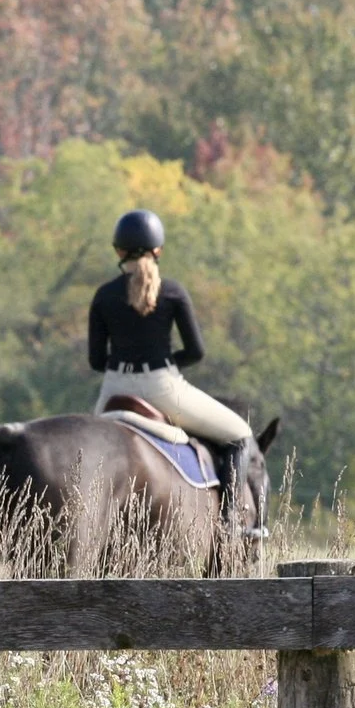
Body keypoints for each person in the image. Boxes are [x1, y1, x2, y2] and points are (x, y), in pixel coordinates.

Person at [87, 208, 254, 497]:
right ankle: (231, 522)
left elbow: (96, 360)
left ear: (118, 251)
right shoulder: (173, 292)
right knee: (241, 436)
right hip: (163, 388)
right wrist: (164, 364)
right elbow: (196, 351)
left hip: (113, 388)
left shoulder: (103, 295)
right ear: (158, 250)